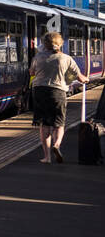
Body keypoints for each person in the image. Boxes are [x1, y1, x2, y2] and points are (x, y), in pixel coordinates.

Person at [30, 31, 83, 163]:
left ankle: (47, 157)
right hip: (57, 92)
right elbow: (80, 77)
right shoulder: (66, 58)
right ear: (60, 44)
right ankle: (57, 144)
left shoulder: (38, 57)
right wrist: (85, 79)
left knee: (44, 124)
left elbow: (31, 72)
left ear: (44, 44)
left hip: (39, 92)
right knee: (59, 123)